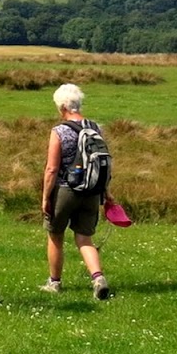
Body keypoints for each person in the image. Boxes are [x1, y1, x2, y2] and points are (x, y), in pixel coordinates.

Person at [39, 84, 112, 299]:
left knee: (55, 236)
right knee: (85, 239)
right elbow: (101, 163)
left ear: (62, 107)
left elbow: (52, 168)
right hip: (91, 191)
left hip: (65, 190)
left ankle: (54, 283)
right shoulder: (96, 128)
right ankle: (98, 278)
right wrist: (106, 192)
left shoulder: (59, 131)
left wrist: (45, 197)